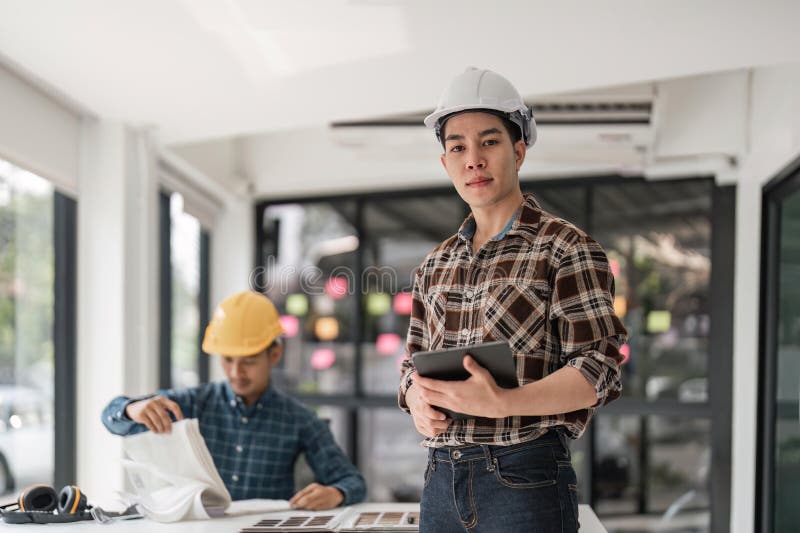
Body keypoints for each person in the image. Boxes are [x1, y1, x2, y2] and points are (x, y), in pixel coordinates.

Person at [398, 67, 628, 533]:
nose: (473, 160)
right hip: (440, 478)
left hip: (524, 475)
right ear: (446, 164)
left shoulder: (566, 248)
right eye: (458, 147)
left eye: (490, 142)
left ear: (518, 151)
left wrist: (506, 402)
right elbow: (411, 364)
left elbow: (598, 368)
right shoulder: (434, 264)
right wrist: (414, 398)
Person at [102, 291, 366, 511]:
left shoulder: (298, 419)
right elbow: (110, 417)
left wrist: (336, 493)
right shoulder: (194, 403)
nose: (236, 373)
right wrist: (130, 408)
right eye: (227, 360)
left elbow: (352, 481)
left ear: (274, 354)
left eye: (249, 361)